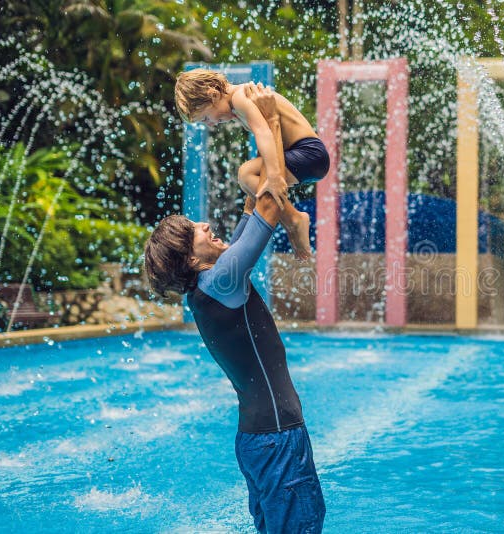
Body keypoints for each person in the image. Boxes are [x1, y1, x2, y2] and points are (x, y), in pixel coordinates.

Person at [144, 84, 325, 533]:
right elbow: (268, 199)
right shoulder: (222, 279)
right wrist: (274, 121)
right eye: (196, 230)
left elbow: (252, 209)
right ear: (190, 258)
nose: (206, 224)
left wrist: (267, 132)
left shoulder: (207, 288)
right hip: (278, 440)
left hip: (256, 441)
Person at [174, 68, 330, 261]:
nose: (211, 125)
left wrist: (273, 176)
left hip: (310, 153)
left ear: (213, 95)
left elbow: (264, 133)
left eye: (206, 118)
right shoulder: (237, 102)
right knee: (255, 185)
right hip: (304, 155)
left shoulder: (240, 97)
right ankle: (292, 221)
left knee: (246, 173)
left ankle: (294, 219)